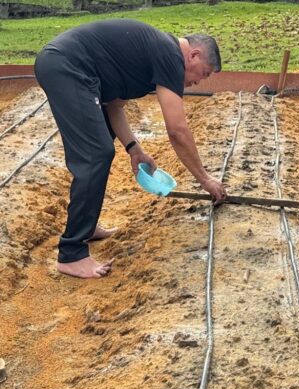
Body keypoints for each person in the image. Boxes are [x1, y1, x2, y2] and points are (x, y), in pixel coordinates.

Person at [34, 19, 227, 280]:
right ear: (194, 55)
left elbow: (114, 106)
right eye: (203, 74)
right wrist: (205, 179)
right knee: (96, 153)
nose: (197, 83)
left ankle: (86, 227)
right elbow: (177, 130)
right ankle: (71, 254)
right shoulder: (170, 55)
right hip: (67, 66)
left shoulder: (154, 52)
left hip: (73, 68)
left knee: (101, 144)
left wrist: (133, 148)